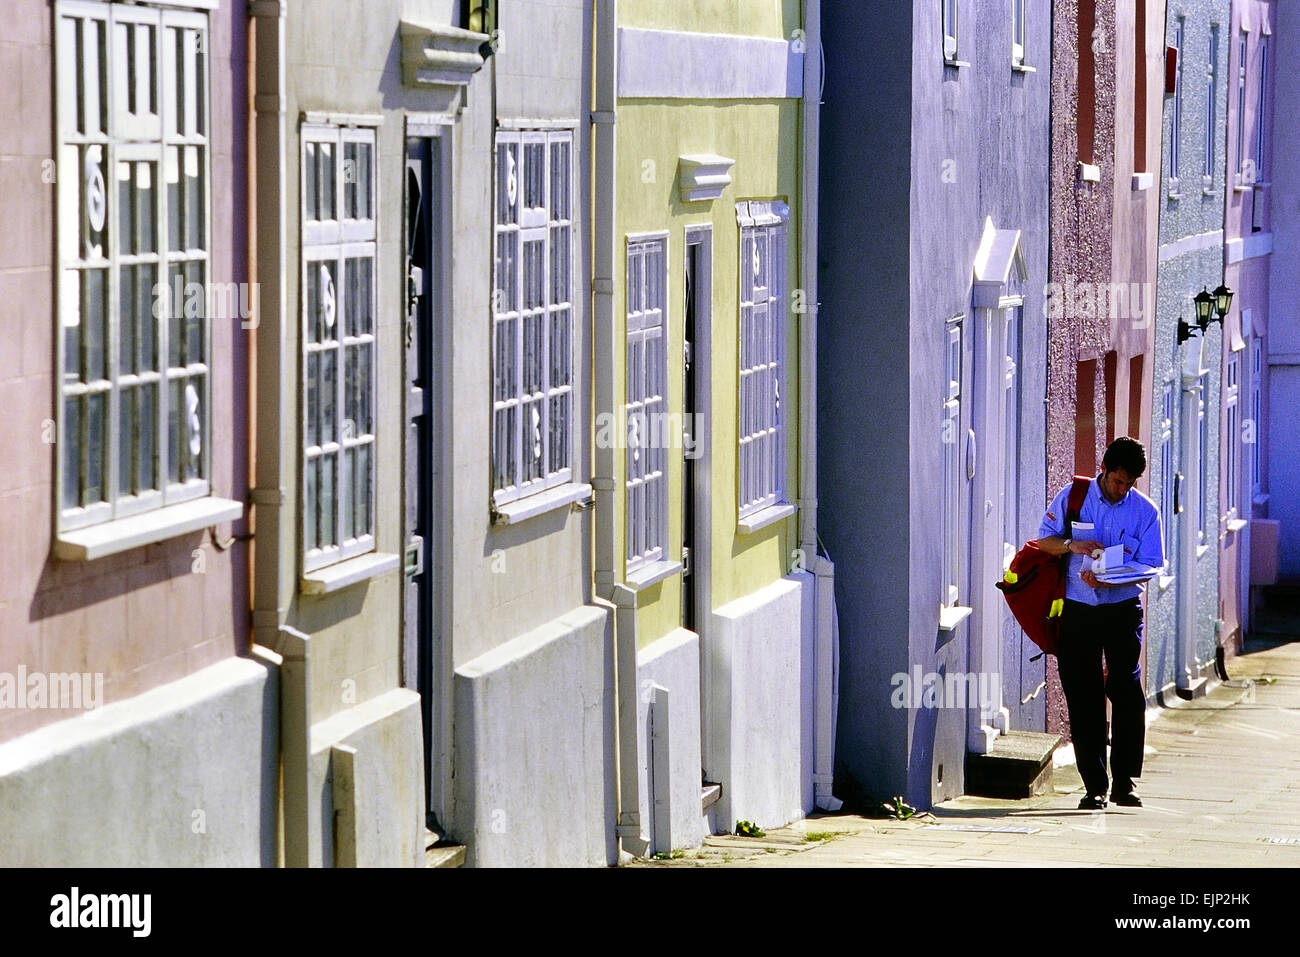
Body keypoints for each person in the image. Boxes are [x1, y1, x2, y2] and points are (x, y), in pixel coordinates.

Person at [1034, 436, 1164, 810]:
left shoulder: (1145, 511)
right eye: (1117, 480)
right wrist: (1072, 546)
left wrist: (1115, 576)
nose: (1122, 489)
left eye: (1129, 483)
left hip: (1121, 608)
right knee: (1083, 694)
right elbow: (1044, 540)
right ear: (1104, 469)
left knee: (1125, 689)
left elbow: (1152, 563)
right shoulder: (1074, 497)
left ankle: (1125, 781)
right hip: (1077, 608)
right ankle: (1094, 786)